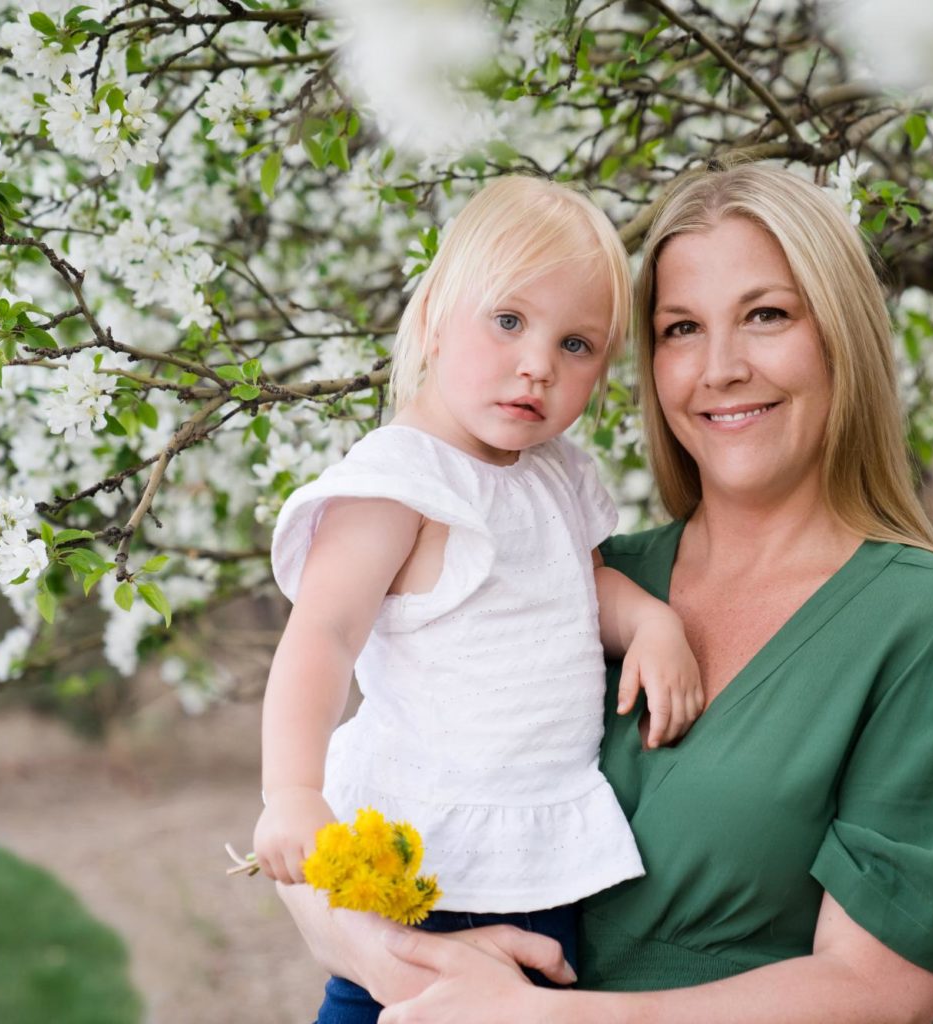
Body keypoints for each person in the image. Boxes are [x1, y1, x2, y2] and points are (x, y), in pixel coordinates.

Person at [276, 162, 933, 1024]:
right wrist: (398, 961)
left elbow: (877, 994)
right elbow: (333, 804)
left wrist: (539, 1018)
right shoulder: (577, 579)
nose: (720, 368)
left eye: (767, 315)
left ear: (843, 337)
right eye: (681, 328)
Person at [251, 175, 706, 1024]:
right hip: (422, 860)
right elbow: (321, 636)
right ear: (432, 317)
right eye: (508, 322)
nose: (538, 363)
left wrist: (648, 617)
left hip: (540, 849)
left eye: (578, 346)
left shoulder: (559, 475)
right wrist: (292, 793)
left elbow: (579, 591)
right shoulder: (401, 482)